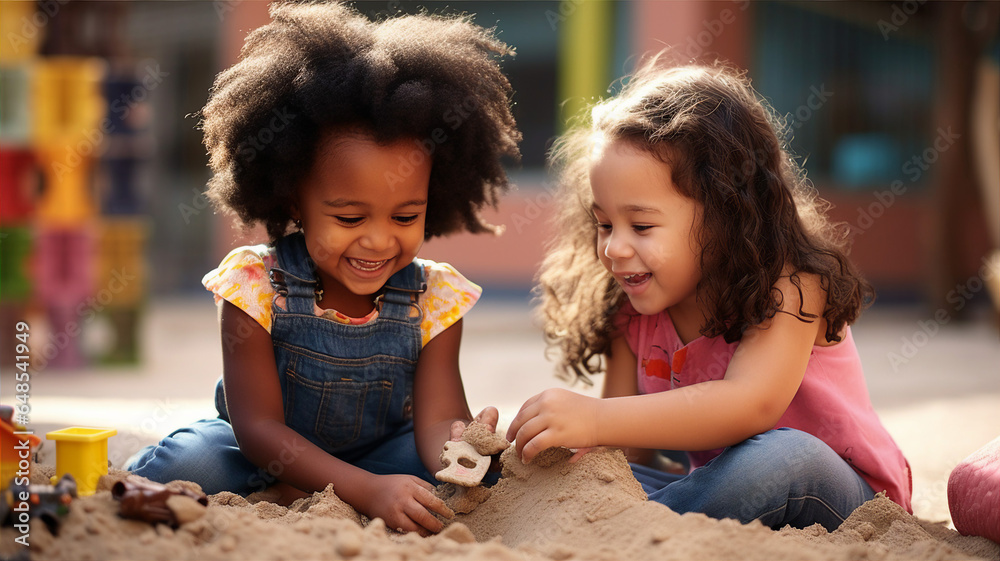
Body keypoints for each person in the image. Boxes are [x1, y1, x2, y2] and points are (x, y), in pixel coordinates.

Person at [126, 1, 520, 536]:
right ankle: (292, 482)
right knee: (193, 466)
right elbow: (258, 426)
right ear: (292, 200)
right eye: (349, 216)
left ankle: (316, 487)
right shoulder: (255, 284)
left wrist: (462, 447)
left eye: (406, 215)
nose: (379, 239)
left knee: (455, 477)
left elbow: (432, 423)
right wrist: (364, 490)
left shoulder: (435, 295)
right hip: (260, 448)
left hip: (379, 450)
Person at [506, 58, 911, 531]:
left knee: (786, 455)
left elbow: (750, 405)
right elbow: (622, 451)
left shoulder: (791, 285)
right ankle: (625, 522)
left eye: (641, 225)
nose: (614, 247)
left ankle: (632, 529)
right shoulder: (631, 306)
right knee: (587, 476)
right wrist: (565, 444)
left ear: (724, 215)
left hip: (834, 490)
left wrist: (594, 418)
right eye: (604, 224)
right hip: (722, 490)